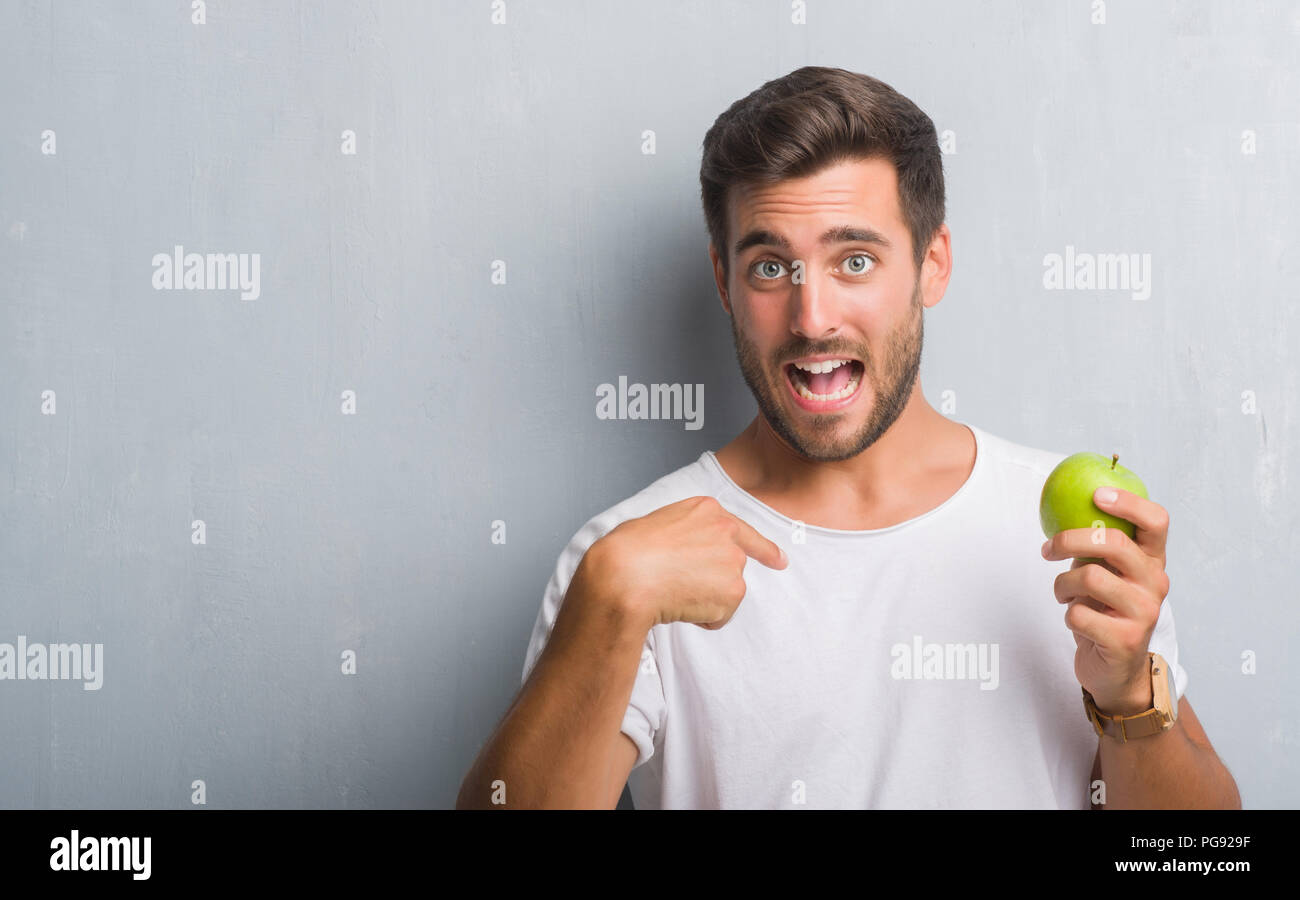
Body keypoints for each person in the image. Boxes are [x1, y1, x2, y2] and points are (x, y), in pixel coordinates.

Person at [456, 66, 1241, 810]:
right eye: (770, 268)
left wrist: (1131, 693)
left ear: (932, 264)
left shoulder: (1069, 540)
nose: (812, 317)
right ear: (724, 282)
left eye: (855, 259)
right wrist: (609, 599)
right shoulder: (629, 561)